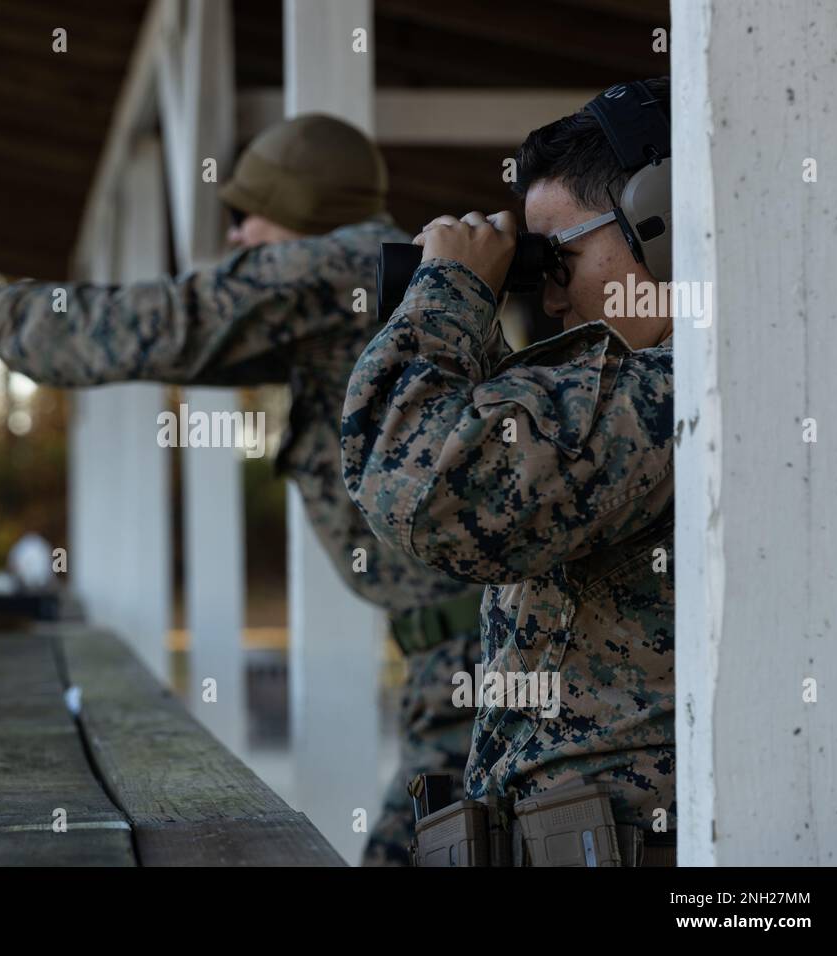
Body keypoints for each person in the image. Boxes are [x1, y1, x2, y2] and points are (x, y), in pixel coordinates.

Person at [0, 113, 482, 866]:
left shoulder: (336, 266)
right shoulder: (355, 284)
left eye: (248, 215)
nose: (237, 237)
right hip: (462, 660)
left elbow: (137, 325)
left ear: (307, 212)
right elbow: (169, 340)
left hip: (479, 659)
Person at [341, 77, 676, 863]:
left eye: (557, 257)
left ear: (663, 224)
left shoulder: (679, 394)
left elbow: (418, 490)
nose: (550, 295)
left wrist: (450, 292)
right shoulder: (656, 394)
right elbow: (509, 445)